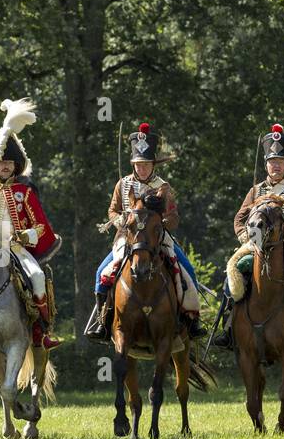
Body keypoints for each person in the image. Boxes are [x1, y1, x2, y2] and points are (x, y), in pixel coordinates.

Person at [84, 122, 204, 340]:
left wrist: (160, 223)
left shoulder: (163, 187)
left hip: (158, 237)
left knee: (187, 270)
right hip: (127, 238)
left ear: (153, 164)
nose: (142, 168)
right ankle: (103, 320)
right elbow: (112, 210)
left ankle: (191, 319)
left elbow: (174, 218)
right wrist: (119, 218)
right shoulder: (122, 184)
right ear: (133, 164)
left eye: (146, 164)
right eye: (138, 164)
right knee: (102, 272)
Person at [211, 123, 284, 349]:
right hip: (256, 245)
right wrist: (245, 237)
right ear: (266, 164)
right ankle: (228, 327)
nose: (276, 166)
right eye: (272, 162)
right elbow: (239, 219)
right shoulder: (255, 190)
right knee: (230, 277)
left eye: (280, 162)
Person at [0, 98, 61, 349]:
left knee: (36, 277)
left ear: (16, 165)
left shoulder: (24, 191)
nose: (5, 167)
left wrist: (23, 237)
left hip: (15, 248)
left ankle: (41, 332)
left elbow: (41, 226)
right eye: (1, 163)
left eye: (9, 163)